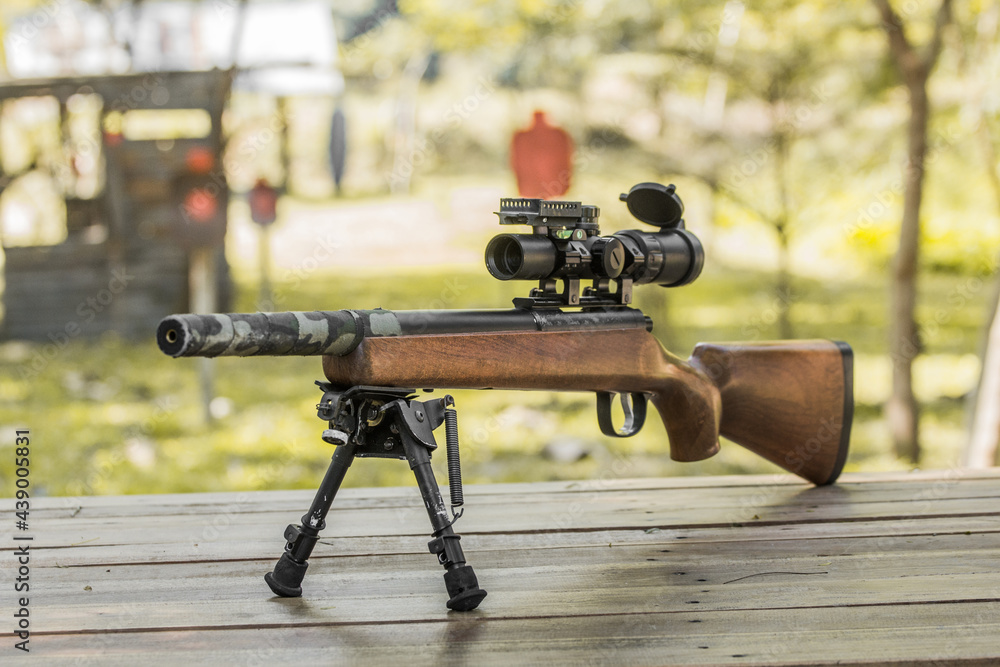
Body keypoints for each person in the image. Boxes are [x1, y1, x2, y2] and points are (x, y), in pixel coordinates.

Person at [509, 110, 574, 199]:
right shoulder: (521, 137)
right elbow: (517, 161)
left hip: (551, 186)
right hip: (532, 187)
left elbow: (565, 160)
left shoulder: (559, 135)